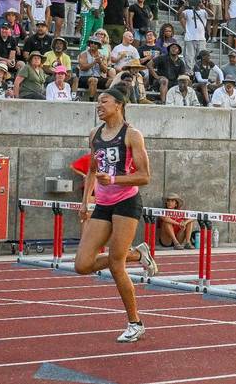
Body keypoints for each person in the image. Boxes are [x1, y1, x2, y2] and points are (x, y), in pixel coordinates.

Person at [73, 87, 158, 343]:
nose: (98, 105)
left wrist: (113, 179)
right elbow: (91, 171)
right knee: (82, 265)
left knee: (115, 264)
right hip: (102, 204)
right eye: (97, 102)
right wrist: (85, 201)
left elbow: (144, 176)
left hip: (126, 202)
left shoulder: (132, 135)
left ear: (118, 105)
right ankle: (137, 253)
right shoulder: (94, 134)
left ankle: (135, 323)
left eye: (104, 101)